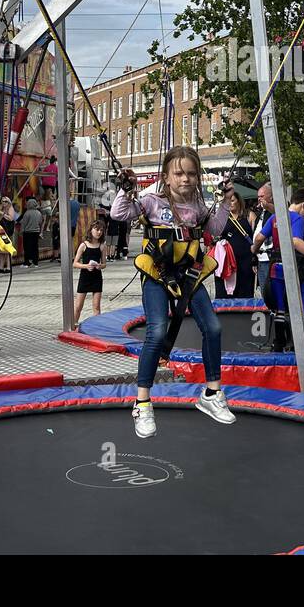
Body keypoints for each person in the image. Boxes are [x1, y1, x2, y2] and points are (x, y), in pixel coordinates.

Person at [111, 146, 235, 438]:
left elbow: (214, 229)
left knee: (214, 328)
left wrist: (226, 202)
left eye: (192, 174)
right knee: (156, 331)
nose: (186, 179)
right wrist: (125, 190)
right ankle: (142, 402)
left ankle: (212, 394)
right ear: (166, 177)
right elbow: (119, 214)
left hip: (189, 274)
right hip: (157, 274)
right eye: (178, 173)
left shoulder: (199, 205)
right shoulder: (151, 201)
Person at [255, 187, 304, 352]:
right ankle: (298, 345)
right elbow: (296, 241)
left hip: (276, 268)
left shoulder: (275, 217)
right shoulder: (298, 219)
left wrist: (254, 249)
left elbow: (259, 238)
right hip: (296, 269)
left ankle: (279, 342)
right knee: (302, 305)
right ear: (303, 205)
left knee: (280, 307)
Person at [214, 191, 257, 299]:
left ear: (239, 201)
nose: (230, 204)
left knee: (245, 288)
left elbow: (256, 237)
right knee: (224, 289)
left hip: (245, 258)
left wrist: (255, 258)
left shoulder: (249, 215)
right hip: (226, 259)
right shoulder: (223, 217)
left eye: (232, 201)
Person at [73, 220, 107, 322]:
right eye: (96, 229)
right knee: (78, 306)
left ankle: (96, 328)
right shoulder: (84, 245)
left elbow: (104, 264)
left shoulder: (102, 246)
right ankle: (73, 326)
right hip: (85, 277)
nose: (99, 232)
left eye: (101, 230)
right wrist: (86, 266)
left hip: (97, 277)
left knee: (96, 307)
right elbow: (75, 263)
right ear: (91, 230)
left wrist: (100, 266)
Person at [252, 182, 276, 300]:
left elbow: (277, 211)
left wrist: (267, 206)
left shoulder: (273, 210)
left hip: (270, 257)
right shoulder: (261, 213)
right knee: (263, 290)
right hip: (260, 258)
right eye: (258, 197)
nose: (259, 199)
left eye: (262, 196)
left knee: (270, 291)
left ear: (270, 197)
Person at [0, 195, 17, 274]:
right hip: (1, 231)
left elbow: (11, 218)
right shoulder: (1, 209)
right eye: (2, 201)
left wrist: (3, 214)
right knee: (0, 250)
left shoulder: (10, 209)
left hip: (7, 232)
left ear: (9, 202)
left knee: (7, 250)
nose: (4, 203)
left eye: (6, 201)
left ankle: (7, 267)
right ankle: (1, 267)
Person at [18, 198, 43, 267]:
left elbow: (24, 224)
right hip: (36, 232)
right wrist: (40, 231)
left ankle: (27, 262)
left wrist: (21, 232)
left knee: (27, 247)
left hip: (28, 232)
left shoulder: (27, 213)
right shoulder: (39, 213)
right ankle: (35, 262)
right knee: (35, 247)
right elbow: (40, 223)